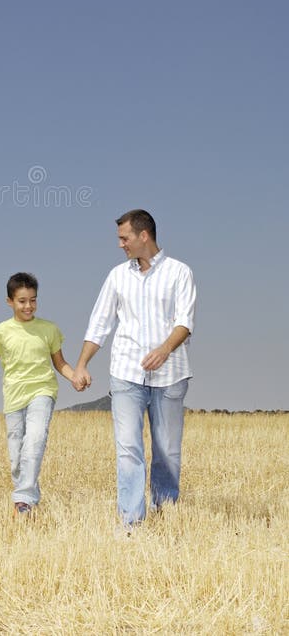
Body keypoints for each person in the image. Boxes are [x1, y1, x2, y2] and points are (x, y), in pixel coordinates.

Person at [73, 210, 196, 529]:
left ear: (144, 236)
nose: (120, 244)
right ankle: (131, 521)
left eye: (124, 238)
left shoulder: (180, 272)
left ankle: (166, 512)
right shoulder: (117, 276)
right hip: (127, 373)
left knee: (167, 450)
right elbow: (99, 323)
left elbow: (185, 322)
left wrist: (164, 349)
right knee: (128, 447)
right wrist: (83, 363)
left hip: (170, 375)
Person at [0, 272, 80, 516]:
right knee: (16, 458)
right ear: (9, 302)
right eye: (22, 301)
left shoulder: (49, 329)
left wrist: (74, 376)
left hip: (42, 391)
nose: (28, 306)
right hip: (13, 397)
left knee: (34, 440)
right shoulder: (0, 332)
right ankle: (27, 495)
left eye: (33, 300)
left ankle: (23, 502)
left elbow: (60, 363)